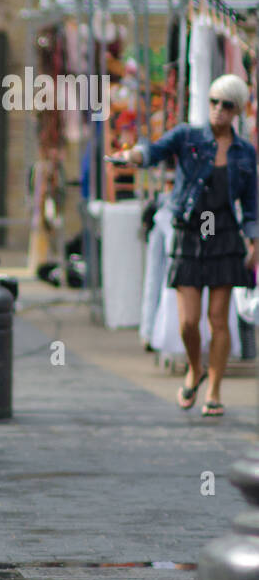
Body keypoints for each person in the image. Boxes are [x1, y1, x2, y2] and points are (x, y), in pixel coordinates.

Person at [110, 73, 258, 416]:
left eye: (227, 105)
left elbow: (251, 202)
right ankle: (195, 370)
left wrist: (255, 241)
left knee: (218, 319)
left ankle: (215, 391)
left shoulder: (244, 152)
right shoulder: (188, 136)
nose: (218, 110)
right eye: (214, 102)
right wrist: (131, 156)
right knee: (188, 322)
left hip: (222, 232)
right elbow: (154, 150)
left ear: (237, 110)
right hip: (191, 230)